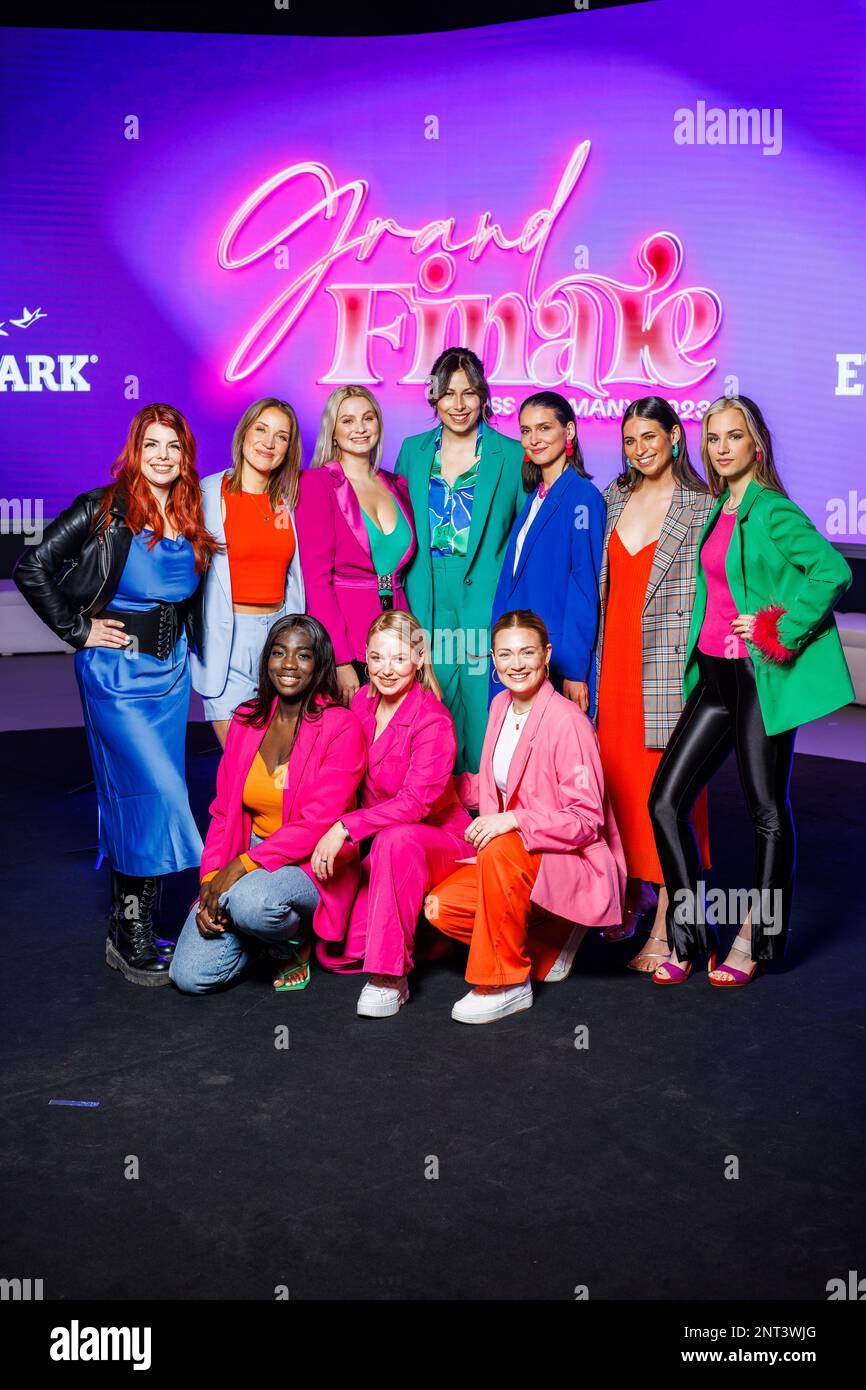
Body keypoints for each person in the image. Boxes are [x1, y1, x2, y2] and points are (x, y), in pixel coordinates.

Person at [648, 395, 854, 985]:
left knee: (765, 812)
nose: (721, 447)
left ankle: (754, 938)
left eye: (732, 436)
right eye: (712, 438)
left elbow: (833, 571)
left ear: (755, 443)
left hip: (758, 676)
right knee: (665, 801)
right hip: (714, 676)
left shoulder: (770, 510)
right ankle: (690, 937)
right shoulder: (720, 509)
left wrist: (778, 626)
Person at [14, 404, 216, 984]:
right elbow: (34, 568)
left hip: (170, 674)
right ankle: (129, 929)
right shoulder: (102, 509)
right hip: (116, 673)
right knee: (156, 790)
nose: (161, 456)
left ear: (185, 455)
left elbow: (191, 598)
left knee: (144, 799)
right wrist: (78, 631)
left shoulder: (190, 511)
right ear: (136, 448)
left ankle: (133, 931)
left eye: (172, 447)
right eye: (151, 444)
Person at [423, 611, 626, 1024]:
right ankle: (553, 933)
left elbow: (587, 820)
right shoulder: (501, 705)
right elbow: (499, 778)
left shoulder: (569, 723)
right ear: (494, 660)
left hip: (569, 858)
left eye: (527, 652)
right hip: (515, 857)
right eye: (505, 654)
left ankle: (506, 983)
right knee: (440, 907)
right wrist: (430, 786)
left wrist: (514, 819)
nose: (516, 664)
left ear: (546, 654)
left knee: (498, 846)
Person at [170, 615, 367, 995]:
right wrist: (211, 879)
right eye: (279, 653)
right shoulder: (246, 720)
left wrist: (238, 870)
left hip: (313, 864)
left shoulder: (340, 727)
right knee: (191, 976)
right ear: (267, 660)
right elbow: (223, 813)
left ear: (320, 663)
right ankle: (261, 935)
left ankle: (293, 940)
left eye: (302, 655)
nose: (289, 665)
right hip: (250, 855)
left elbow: (317, 824)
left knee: (250, 901)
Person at [594, 396, 713, 972]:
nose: (639, 450)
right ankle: (635, 895)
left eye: (649, 437)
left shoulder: (702, 505)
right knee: (615, 786)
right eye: (629, 440)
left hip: (669, 671)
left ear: (675, 438)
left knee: (668, 792)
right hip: (612, 665)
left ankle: (672, 922)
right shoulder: (612, 498)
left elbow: (719, 584)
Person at [312, 610, 471, 1017]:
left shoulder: (433, 719)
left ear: (419, 658)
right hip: (380, 846)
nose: (386, 670)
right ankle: (427, 935)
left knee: (396, 838)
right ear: (364, 656)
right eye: (377, 658)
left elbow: (416, 804)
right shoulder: (361, 705)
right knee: (339, 952)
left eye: (399, 659)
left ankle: (389, 977)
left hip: (441, 843)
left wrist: (345, 828)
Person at [393, 346, 524, 773]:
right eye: (448, 393)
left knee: (482, 707)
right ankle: (437, 816)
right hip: (425, 591)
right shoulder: (412, 452)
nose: (459, 404)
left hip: (485, 594)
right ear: (434, 398)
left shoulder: (512, 454)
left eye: (469, 393)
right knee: (432, 705)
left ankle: (486, 813)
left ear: (484, 396)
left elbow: (526, 533)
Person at [190, 397, 305, 747]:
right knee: (243, 764)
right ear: (243, 434)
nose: (269, 443)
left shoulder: (290, 500)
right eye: (261, 429)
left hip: (280, 639)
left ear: (288, 448)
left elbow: (295, 580)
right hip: (228, 639)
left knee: (280, 761)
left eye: (281, 436)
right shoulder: (206, 494)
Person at [296, 386, 416, 708]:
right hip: (349, 639)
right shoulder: (317, 484)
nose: (360, 428)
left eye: (368, 418)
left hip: (399, 636)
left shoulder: (398, 485)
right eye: (347, 420)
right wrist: (339, 658)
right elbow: (316, 580)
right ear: (333, 431)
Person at [490, 391, 605, 711]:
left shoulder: (583, 497)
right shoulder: (534, 498)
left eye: (544, 428)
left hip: (553, 658)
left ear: (568, 432)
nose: (533, 439)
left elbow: (585, 587)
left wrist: (574, 670)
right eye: (526, 431)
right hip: (518, 652)